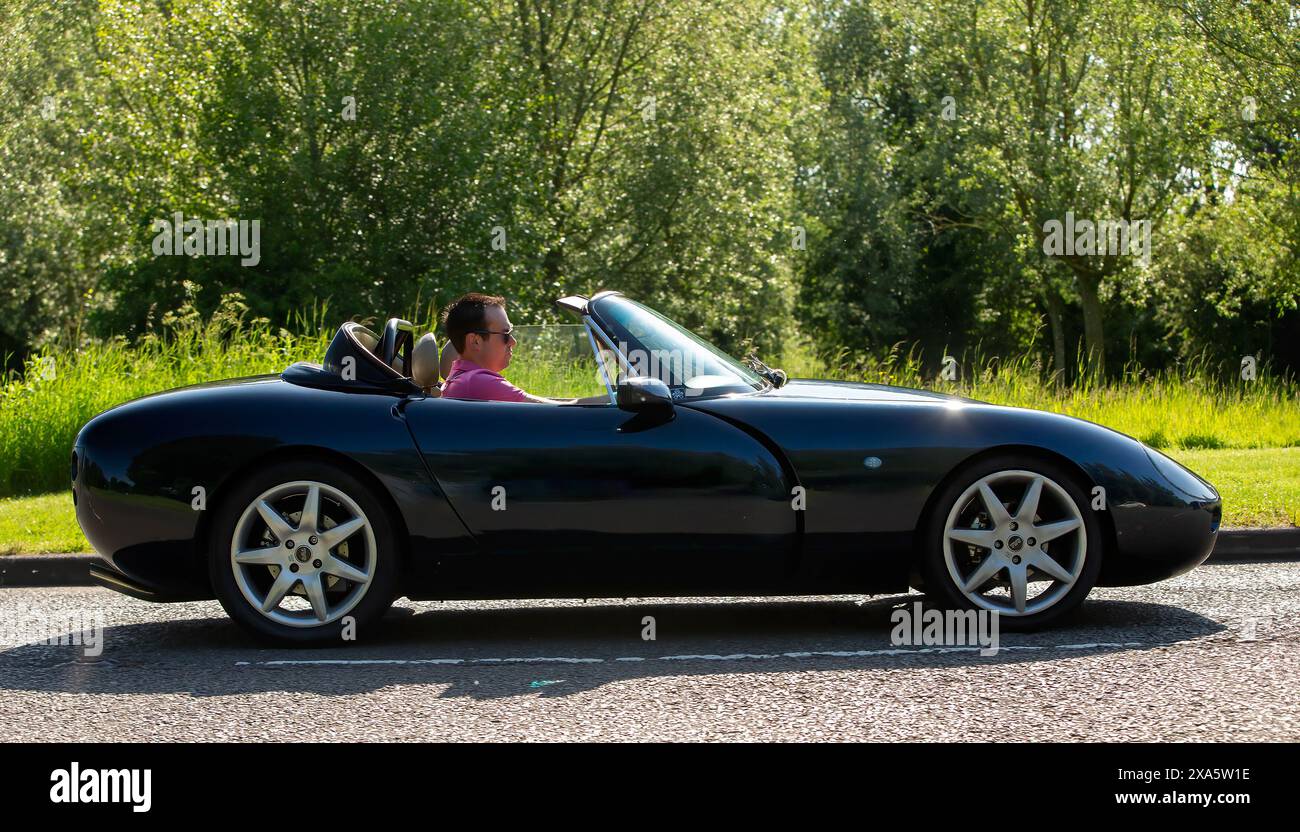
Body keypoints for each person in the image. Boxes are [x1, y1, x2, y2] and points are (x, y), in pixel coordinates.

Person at [439, 293, 607, 404]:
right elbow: (558, 412)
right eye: (505, 334)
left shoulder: (462, 379)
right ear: (475, 341)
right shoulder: (477, 382)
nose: (513, 342)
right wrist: (614, 400)